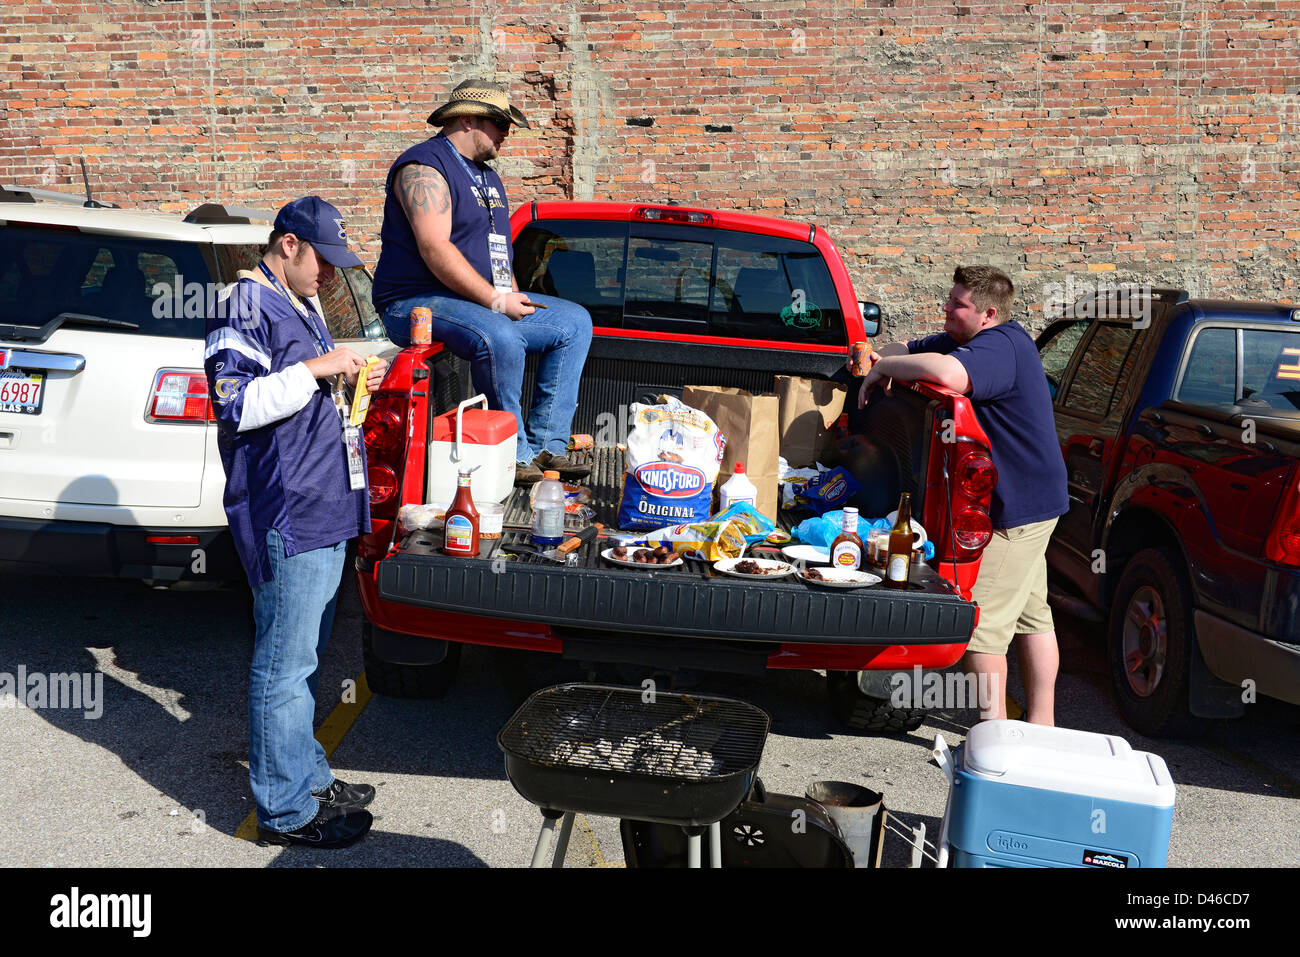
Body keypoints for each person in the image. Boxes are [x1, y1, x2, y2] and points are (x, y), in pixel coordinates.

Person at [205, 196, 388, 848]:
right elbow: (235, 403)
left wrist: (341, 377)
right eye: (323, 262)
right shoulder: (244, 304)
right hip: (289, 509)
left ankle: (307, 775)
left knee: (302, 658)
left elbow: (293, 395)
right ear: (287, 245)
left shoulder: (298, 302)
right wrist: (318, 367)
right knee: (282, 665)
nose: (330, 277)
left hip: (323, 504)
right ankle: (284, 810)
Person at [856, 265, 1068, 725]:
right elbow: (904, 348)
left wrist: (886, 368)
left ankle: (995, 733)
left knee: (982, 629)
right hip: (1040, 501)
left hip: (1017, 510)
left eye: (958, 304)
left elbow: (949, 377)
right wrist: (881, 360)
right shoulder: (965, 340)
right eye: (950, 299)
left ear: (989, 313)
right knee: (1034, 615)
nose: (946, 308)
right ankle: (1042, 728)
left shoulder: (1001, 347)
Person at [371, 77, 593, 484]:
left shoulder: (487, 176)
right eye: (500, 124)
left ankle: (548, 445)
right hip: (414, 302)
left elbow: (494, 247)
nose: (507, 133)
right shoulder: (423, 166)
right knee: (501, 337)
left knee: (573, 322)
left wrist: (506, 293)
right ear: (468, 119)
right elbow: (435, 249)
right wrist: (495, 301)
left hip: (476, 301)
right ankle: (517, 453)